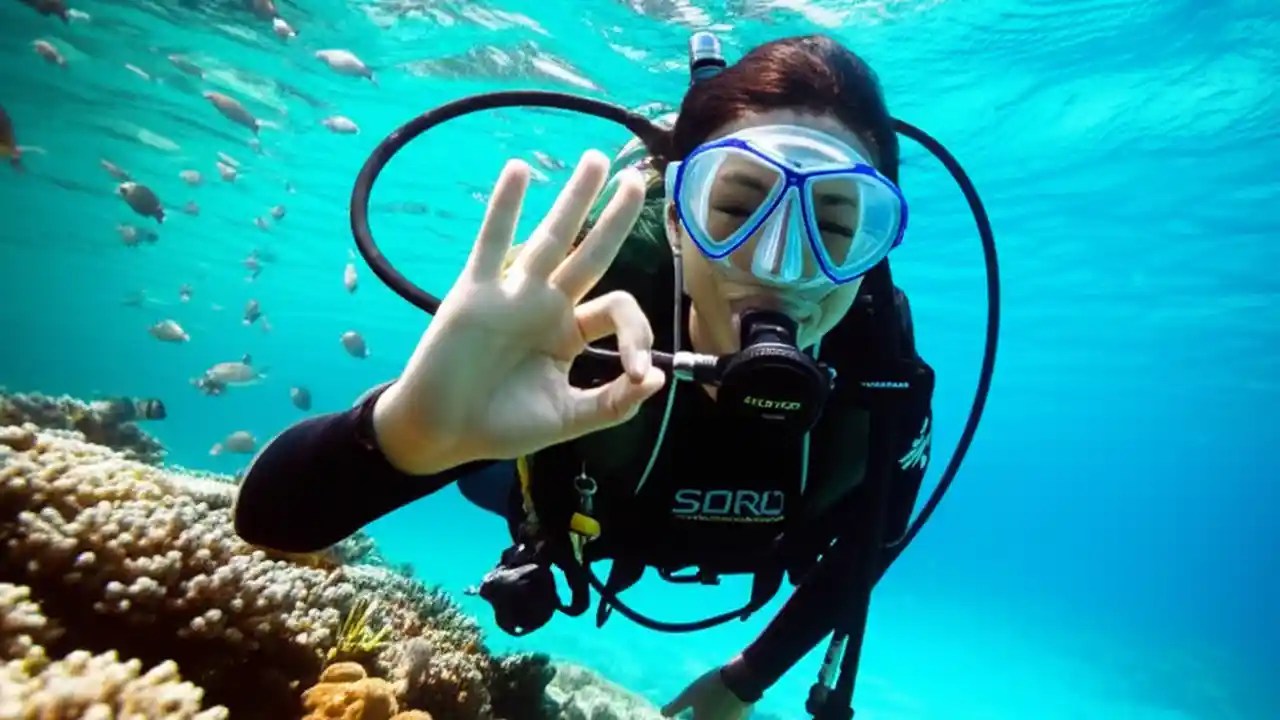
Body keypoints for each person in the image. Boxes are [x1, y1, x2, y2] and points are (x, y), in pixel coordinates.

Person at [234, 34, 939, 720]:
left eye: (838, 224)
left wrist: (747, 678)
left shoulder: (884, 377)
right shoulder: (579, 317)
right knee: (485, 464)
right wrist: (407, 436)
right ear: (673, 221)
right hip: (555, 482)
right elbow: (271, 519)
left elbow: (869, 545)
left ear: (875, 247)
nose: (782, 267)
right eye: (733, 209)